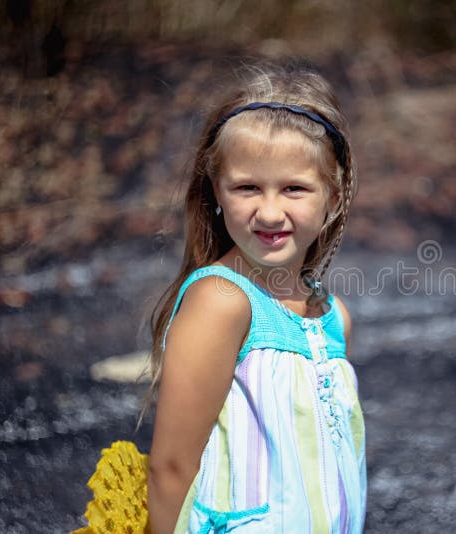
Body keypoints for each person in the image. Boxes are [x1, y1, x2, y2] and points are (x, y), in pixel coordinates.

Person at [73, 64, 365, 534]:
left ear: (333, 197)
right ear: (216, 192)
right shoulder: (222, 300)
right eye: (247, 187)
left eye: (294, 188)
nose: (270, 211)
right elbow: (171, 469)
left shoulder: (333, 318)